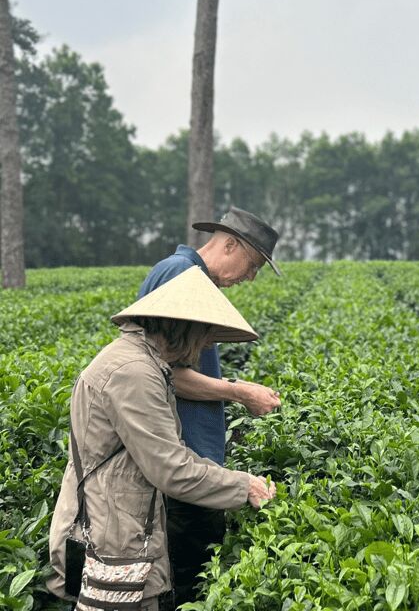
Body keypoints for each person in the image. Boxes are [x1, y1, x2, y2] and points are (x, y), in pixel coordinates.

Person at [47, 266, 277, 610]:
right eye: (205, 335)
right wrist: (243, 486)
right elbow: (171, 469)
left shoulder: (143, 364)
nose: (207, 345)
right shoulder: (134, 373)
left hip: (120, 524)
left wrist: (233, 480)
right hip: (113, 534)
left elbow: (169, 451)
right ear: (184, 328)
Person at [138, 206, 282, 606]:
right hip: (183, 465)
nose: (250, 278)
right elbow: (164, 372)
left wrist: (236, 387)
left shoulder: (191, 276)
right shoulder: (181, 274)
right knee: (189, 584)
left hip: (195, 465)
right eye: (252, 266)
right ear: (230, 244)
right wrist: (238, 392)